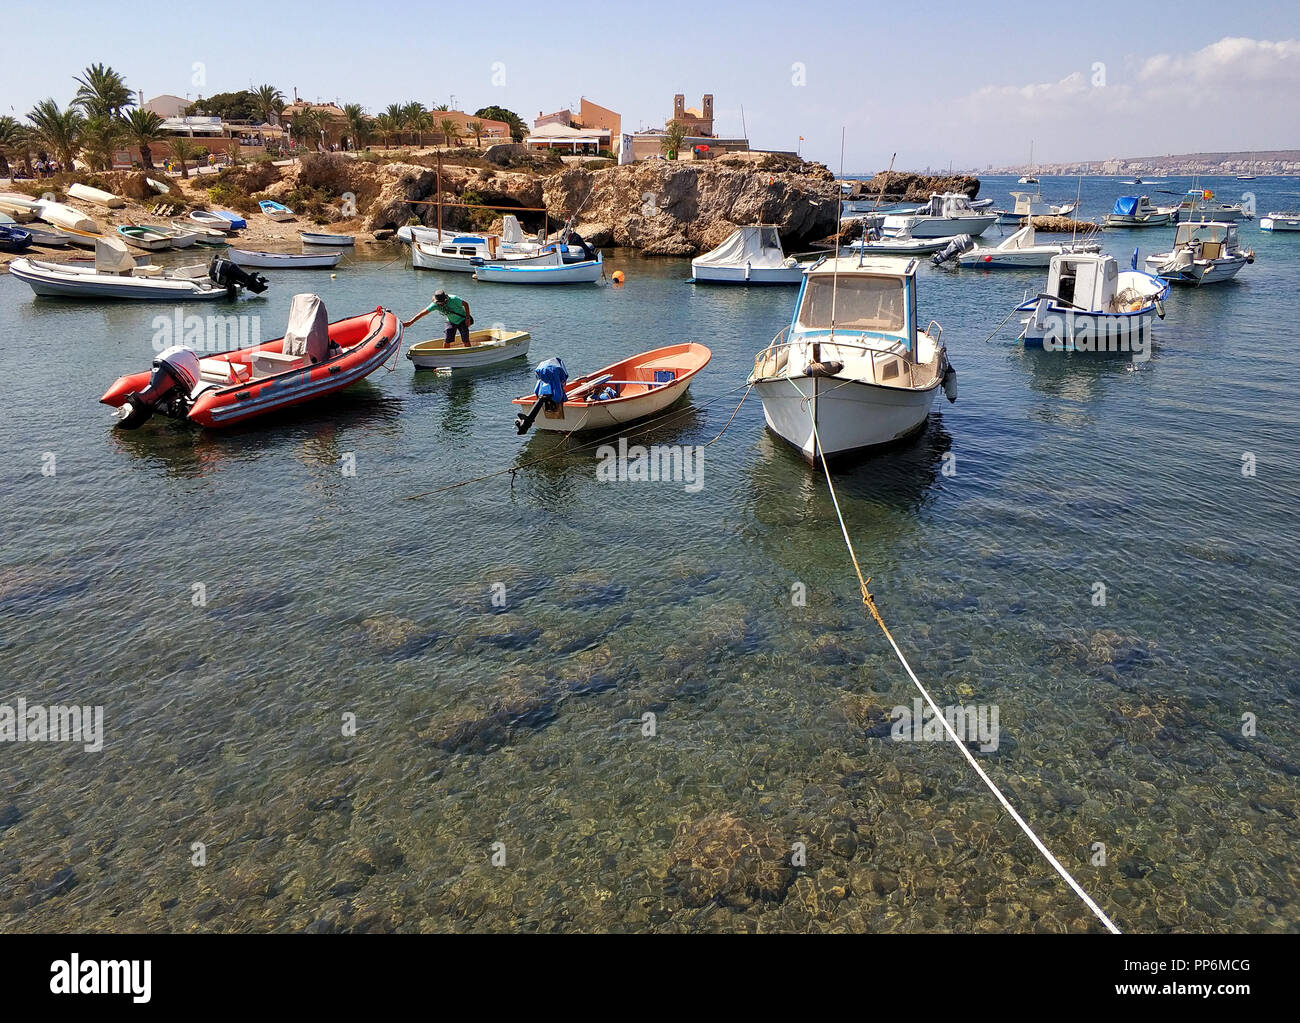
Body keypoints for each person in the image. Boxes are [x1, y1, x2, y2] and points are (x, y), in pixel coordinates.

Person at [403, 289, 473, 346]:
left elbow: (466, 304)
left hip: (462, 320)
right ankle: (445, 356)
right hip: (451, 321)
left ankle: (469, 354)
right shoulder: (435, 305)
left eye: (442, 302)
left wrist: (467, 318)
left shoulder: (454, 299)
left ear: (446, 299)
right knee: (447, 341)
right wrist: (410, 322)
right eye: (439, 303)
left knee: (465, 340)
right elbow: (422, 313)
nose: (441, 304)